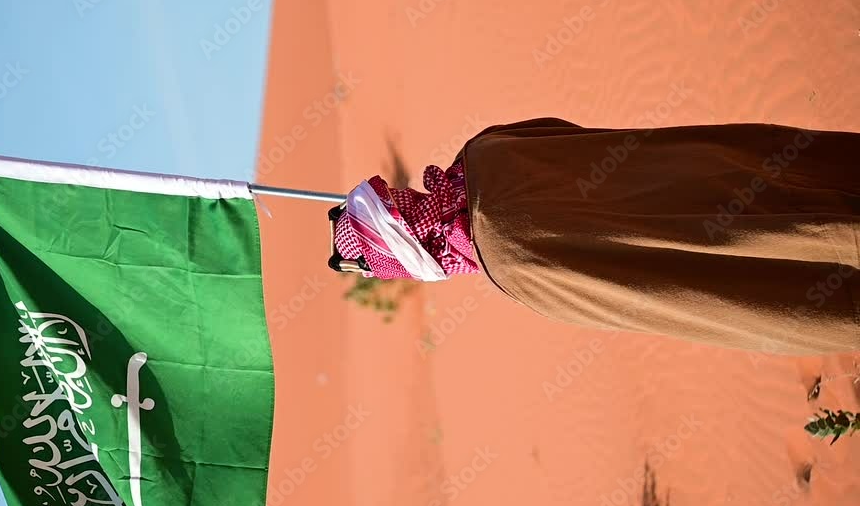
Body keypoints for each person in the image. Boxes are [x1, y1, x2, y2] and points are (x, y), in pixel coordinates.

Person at [332, 118, 859, 355]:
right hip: (704, 167)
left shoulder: (512, 276)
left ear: (419, 262)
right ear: (400, 203)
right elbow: (568, 131)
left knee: (775, 278)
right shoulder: (483, 150)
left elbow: (657, 302)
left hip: (743, 272)